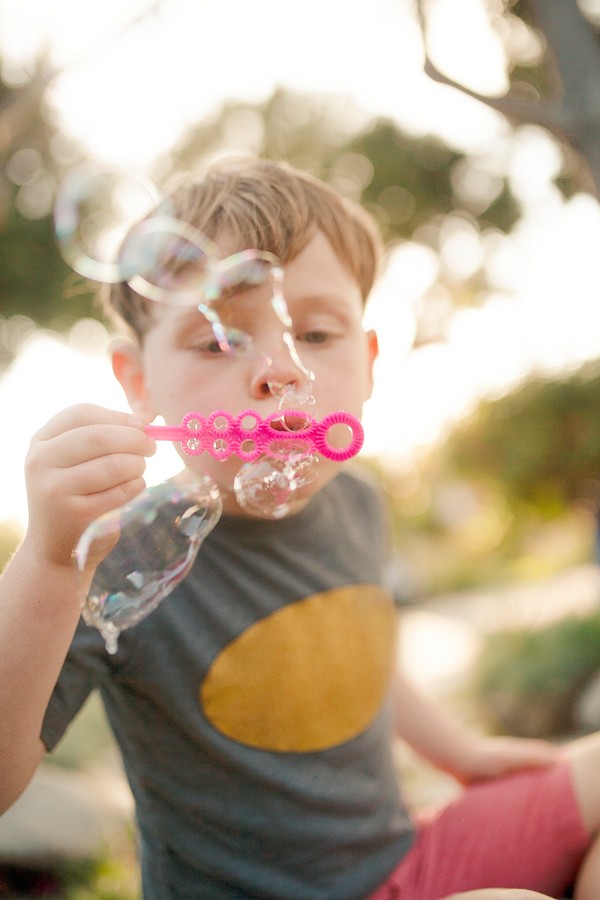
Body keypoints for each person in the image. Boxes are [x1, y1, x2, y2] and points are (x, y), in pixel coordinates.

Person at [1, 157, 599, 900]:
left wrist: (461, 750)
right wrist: (51, 564)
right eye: (220, 341)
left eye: (315, 334)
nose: (279, 370)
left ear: (369, 363)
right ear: (139, 383)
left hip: (401, 860)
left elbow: (357, 643)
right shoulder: (116, 553)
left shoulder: (358, 501)